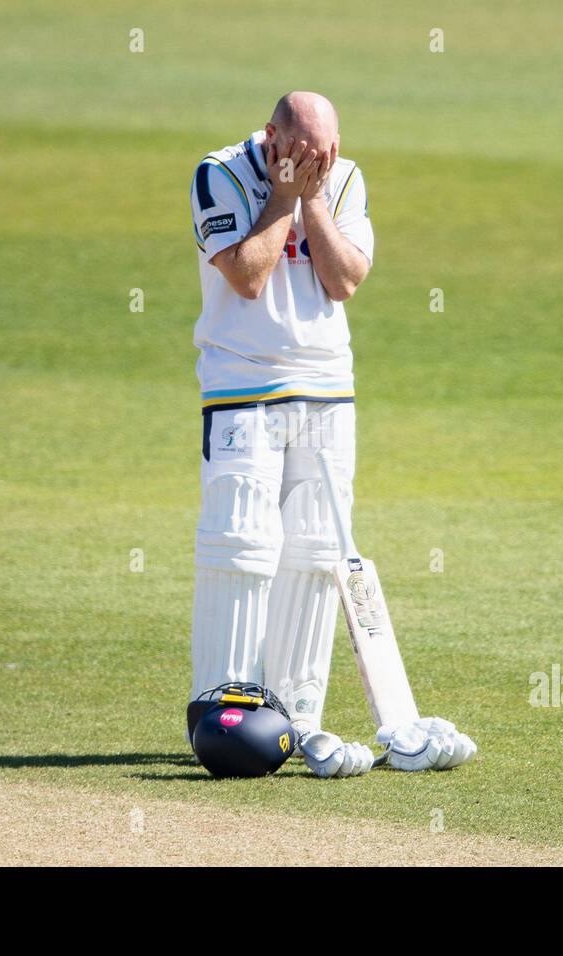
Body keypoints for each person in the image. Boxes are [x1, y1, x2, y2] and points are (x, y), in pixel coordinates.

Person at [187, 92, 474, 777]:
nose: (321, 163)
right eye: (304, 152)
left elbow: (344, 280)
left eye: (329, 152)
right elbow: (248, 276)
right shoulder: (219, 174)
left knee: (318, 555)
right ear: (271, 136)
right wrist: (285, 196)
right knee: (242, 544)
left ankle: (300, 722)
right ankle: (227, 714)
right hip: (243, 383)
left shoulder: (343, 179)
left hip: (327, 388)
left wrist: (312, 196)